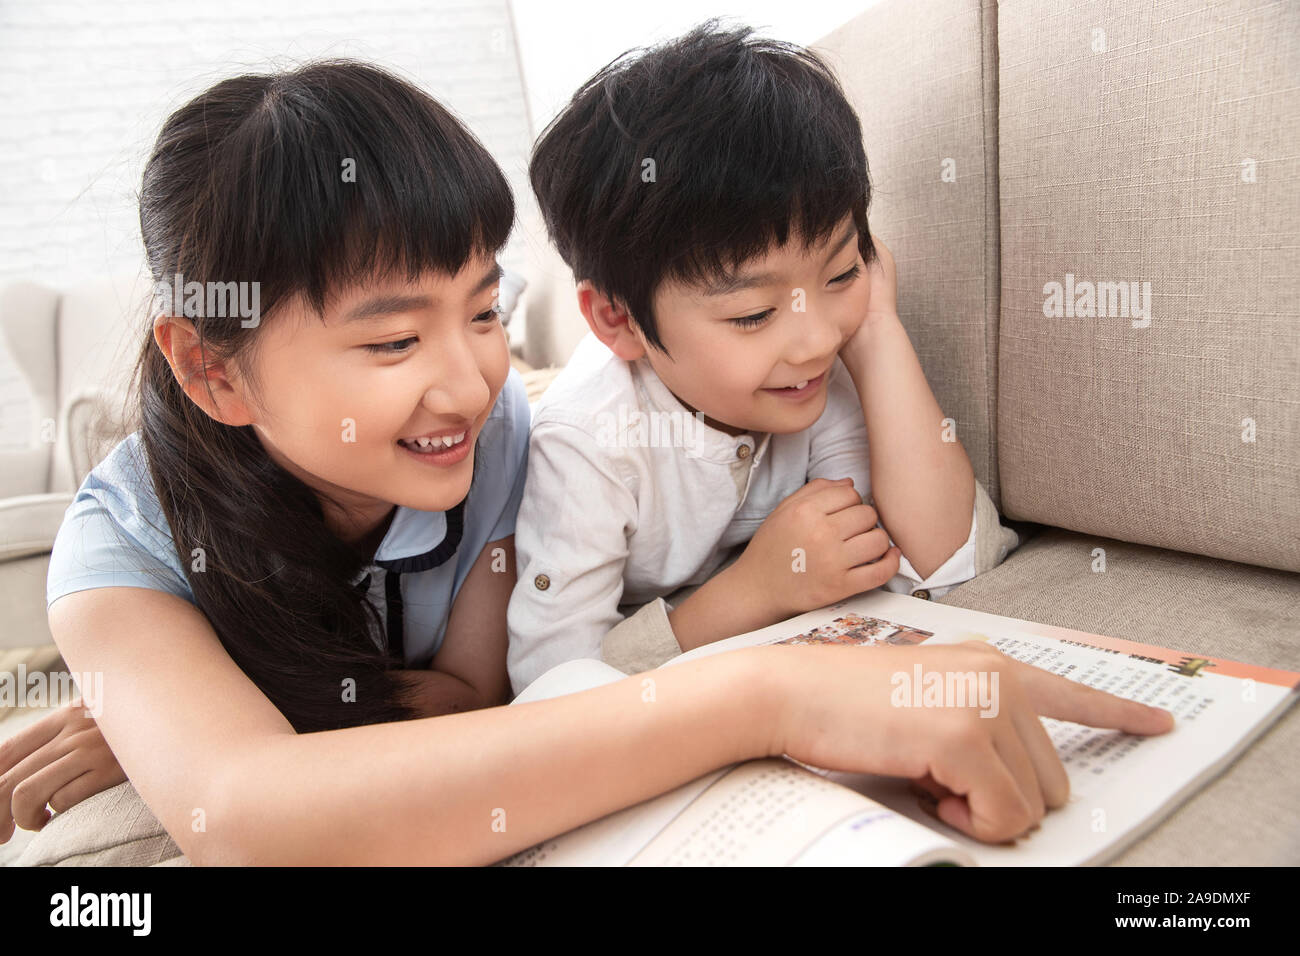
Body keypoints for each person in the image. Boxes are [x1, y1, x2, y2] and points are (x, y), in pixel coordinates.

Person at [0, 58, 1174, 865]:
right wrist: (773, 693)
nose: (468, 380)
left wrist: (247, 707)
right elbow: (247, 817)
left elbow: (476, 693)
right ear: (213, 368)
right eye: (394, 340)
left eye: (482, 310)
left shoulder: (498, 438)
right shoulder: (120, 542)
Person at [507, 22, 1019, 693]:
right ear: (618, 319)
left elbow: (947, 564)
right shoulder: (585, 442)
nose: (816, 340)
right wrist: (750, 592)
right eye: (753, 314)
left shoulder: (820, 369)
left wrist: (877, 333)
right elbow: (548, 680)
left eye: (841, 272)